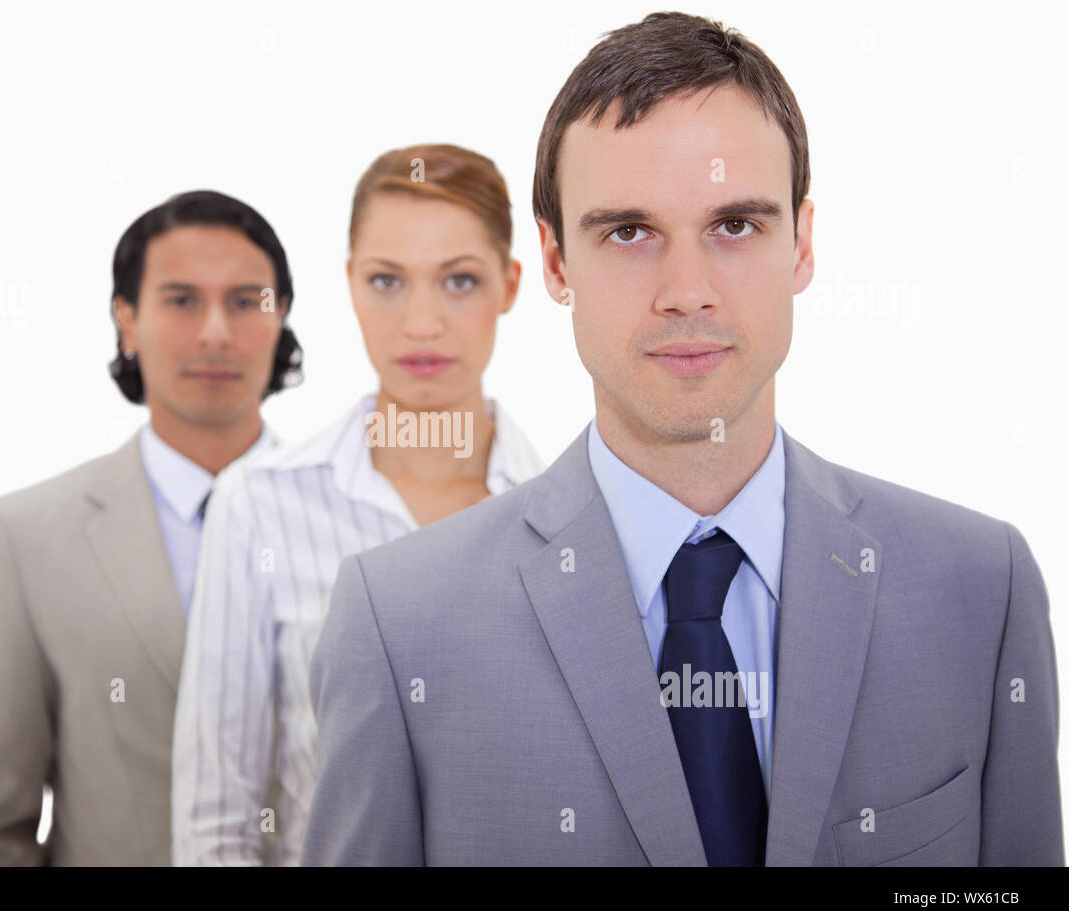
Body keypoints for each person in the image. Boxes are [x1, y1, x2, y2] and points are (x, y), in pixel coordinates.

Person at [302, 13, 1062, 866]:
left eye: (735, 225)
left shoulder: (980, 591)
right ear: (555, 264)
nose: (687, 290)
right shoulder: (399, 623)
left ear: (803, 244)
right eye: (629, 231)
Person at [172, 144, 546, 865]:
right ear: (350, 285)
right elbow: (216, 825)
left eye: (460, 280)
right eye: (387, 280)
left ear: (510, 284)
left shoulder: (571, 516)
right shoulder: (259, 506)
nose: (422, 322)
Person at [0, 190, 303, 865]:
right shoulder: (26, 537)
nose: (217, 331)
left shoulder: (368, 522)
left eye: (248, 301)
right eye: (182, 300)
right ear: (126, 321)